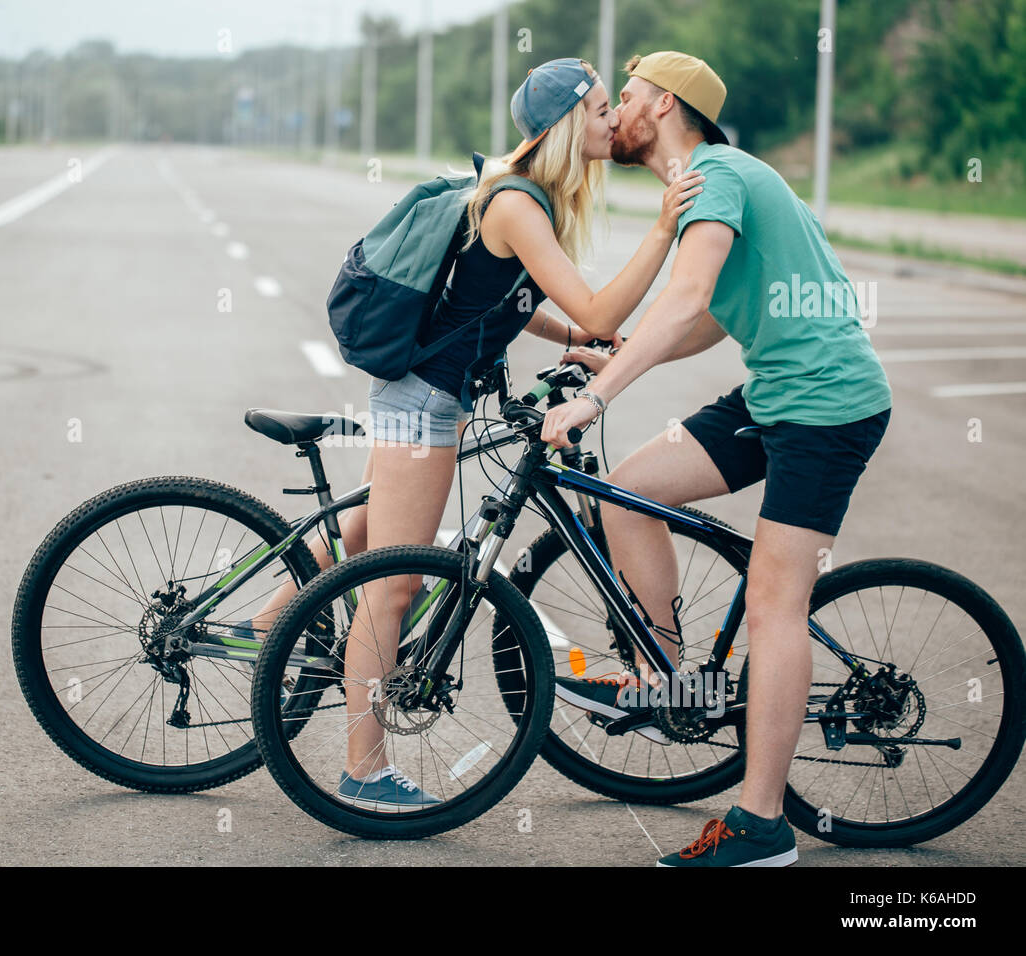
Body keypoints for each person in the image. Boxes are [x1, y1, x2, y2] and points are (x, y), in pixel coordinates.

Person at [238, 57, 704, 810]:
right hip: (423, 404)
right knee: (394, 586)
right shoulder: (518, 203)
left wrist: (563, 339)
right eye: (597, 113)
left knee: (369, 537)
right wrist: (662, 229)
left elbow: (500, 296)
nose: (611, 123)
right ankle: (365, 769)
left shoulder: (525, 198)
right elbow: (602, 311)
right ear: (562, 126)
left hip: (431, 396)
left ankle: (269, 623)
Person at [541, 51, 892, 866]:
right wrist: (619, 359)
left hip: (827, 408)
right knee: (623, 489)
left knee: (775, 606)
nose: (613, 112)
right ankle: (663, 675)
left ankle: (762, 825)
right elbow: (714, 317)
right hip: (776, 394)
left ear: (663, 105)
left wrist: (598, 398)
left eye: (624, 98)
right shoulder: (701, 184)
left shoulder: (716, 173)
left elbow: (690, 298)